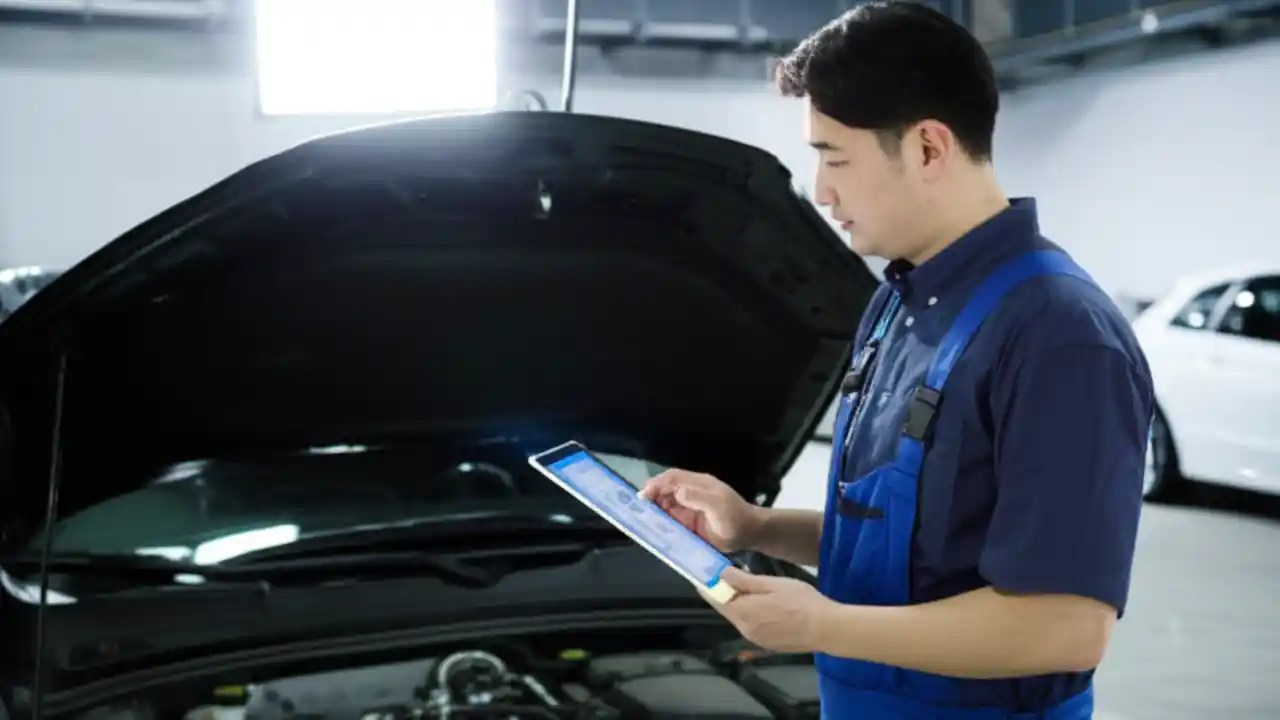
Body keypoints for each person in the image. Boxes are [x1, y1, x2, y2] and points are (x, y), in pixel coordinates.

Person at [639, 3, 1154, 718]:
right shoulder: (896, 303)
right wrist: (754, 527)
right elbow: (910, 550)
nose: (822, 191)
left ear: (929, 149)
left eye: (835, 158)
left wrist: (823, 624)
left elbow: (1063, 627)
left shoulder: (1059, 336)